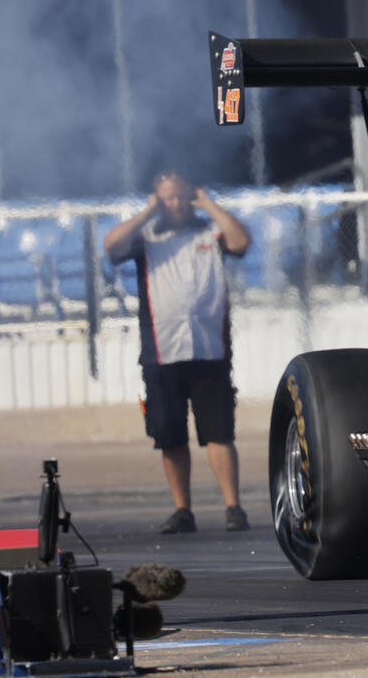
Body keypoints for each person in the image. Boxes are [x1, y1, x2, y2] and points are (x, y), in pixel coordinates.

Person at [103, 170, 253, 534]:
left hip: (209, 348)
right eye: (166, 198)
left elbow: (241, 241)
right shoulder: (147, 237)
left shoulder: (209, 231)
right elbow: (111, 246)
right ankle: (182, 509)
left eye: (179, 197)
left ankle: (233, 506)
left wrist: (207, 203)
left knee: (219, 432)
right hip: (162, 351)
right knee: (170, 435)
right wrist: (148, 212)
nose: (174, 204)